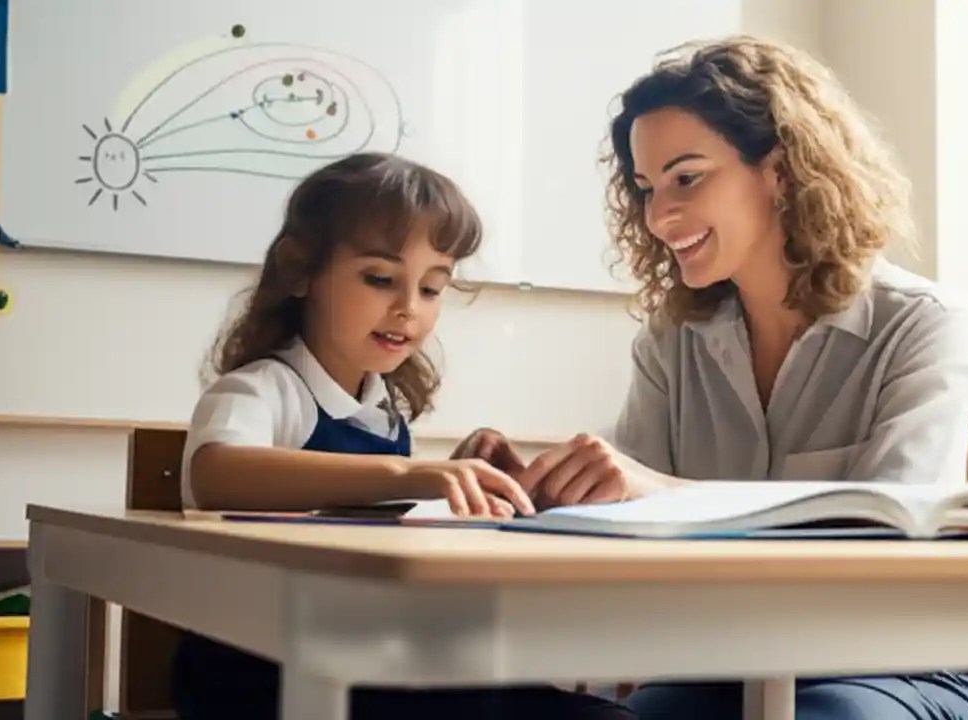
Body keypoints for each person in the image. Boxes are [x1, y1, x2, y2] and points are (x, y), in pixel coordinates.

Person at [467, 36, 968, 720]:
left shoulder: (926, 325)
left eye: (687, 177)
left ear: (779, 172)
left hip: (884, 666)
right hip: (712, 664)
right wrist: (537, 492)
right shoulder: (671, 340)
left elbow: (890, 535)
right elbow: (628, 528)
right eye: (647, 188)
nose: (657, 216)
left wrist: (658, 491)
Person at [172, 153, 633, 720]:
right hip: (261, 672)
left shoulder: (383, 413)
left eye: (433, 289)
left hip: (375, 663)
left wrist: (458, 485)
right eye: (380, 279)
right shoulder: (264, 389)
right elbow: (217, 474)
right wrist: (412, 474)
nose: (407, 309)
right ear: (299, 271)